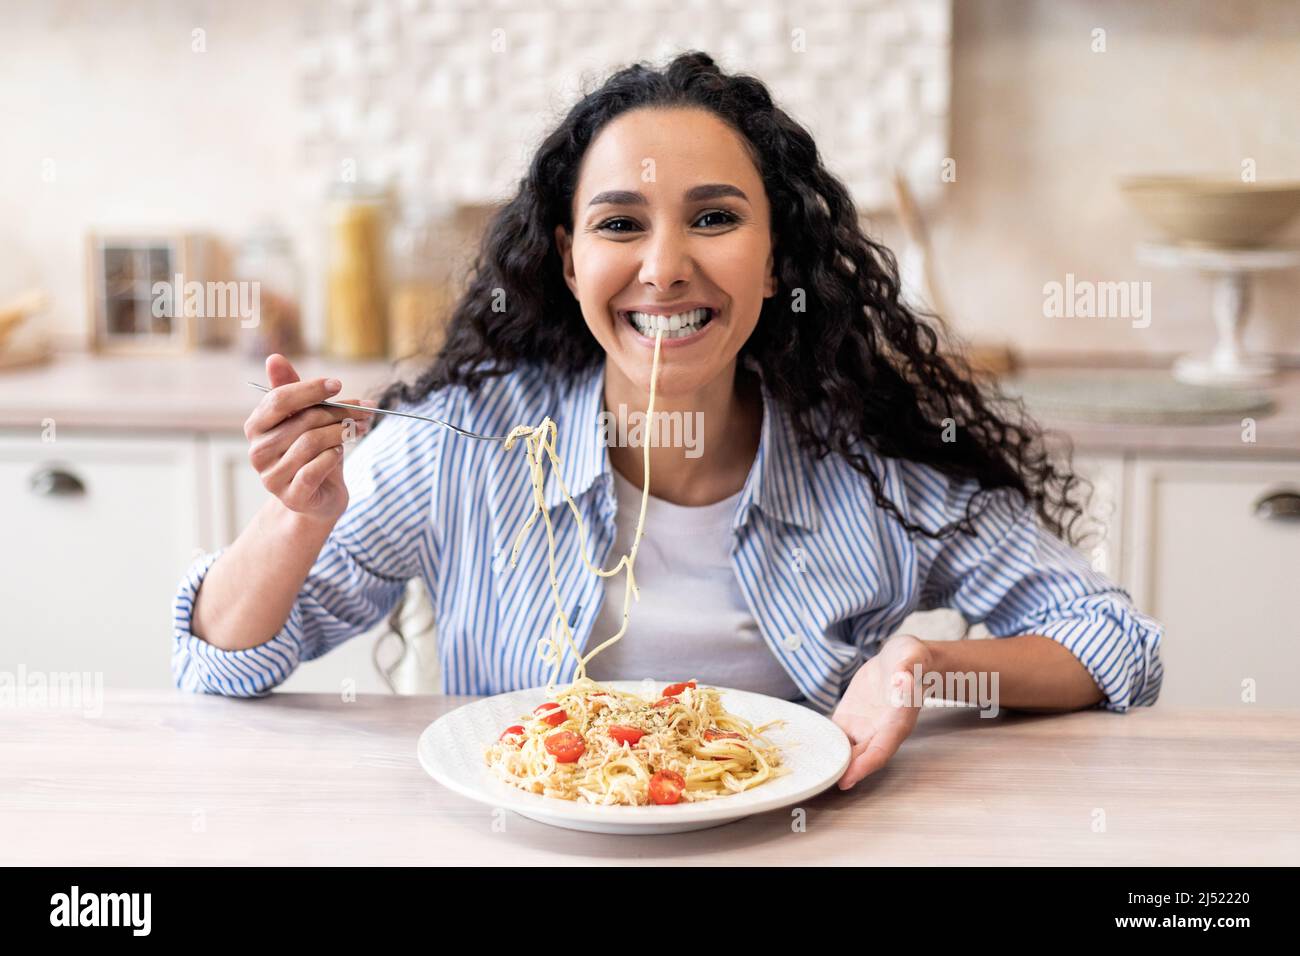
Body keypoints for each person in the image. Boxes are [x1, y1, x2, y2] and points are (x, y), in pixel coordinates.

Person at [173, 52, 1162, 790]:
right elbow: (216, 662)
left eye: (715, 217)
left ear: (774, 258)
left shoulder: (874, 466)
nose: (663, 266)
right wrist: (296, 516)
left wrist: (929, 668)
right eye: (618, 223)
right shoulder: (458, 444)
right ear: (569, 260)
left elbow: (1116, 640)